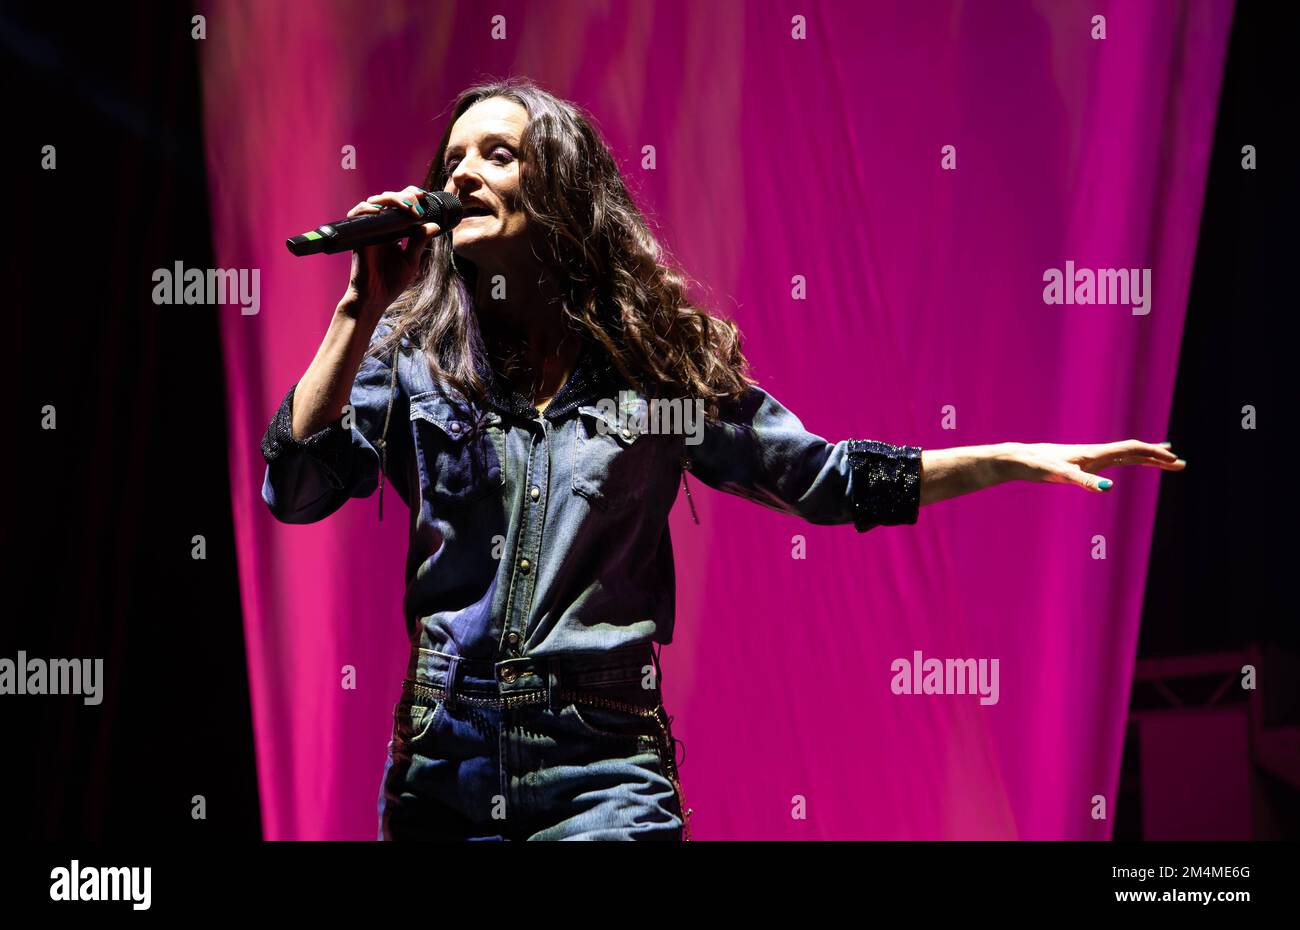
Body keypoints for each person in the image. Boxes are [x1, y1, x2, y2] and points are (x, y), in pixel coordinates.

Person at [260, 78, 1185, 841]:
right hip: (443, 764)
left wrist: (1008, 459)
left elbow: (821, 479)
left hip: (602, 766)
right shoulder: (412, 354)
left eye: (496, 154)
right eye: (452, 159)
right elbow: (294, 490)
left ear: (560, 189)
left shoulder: (651, 369)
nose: (462, 173)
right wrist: (357, 312)